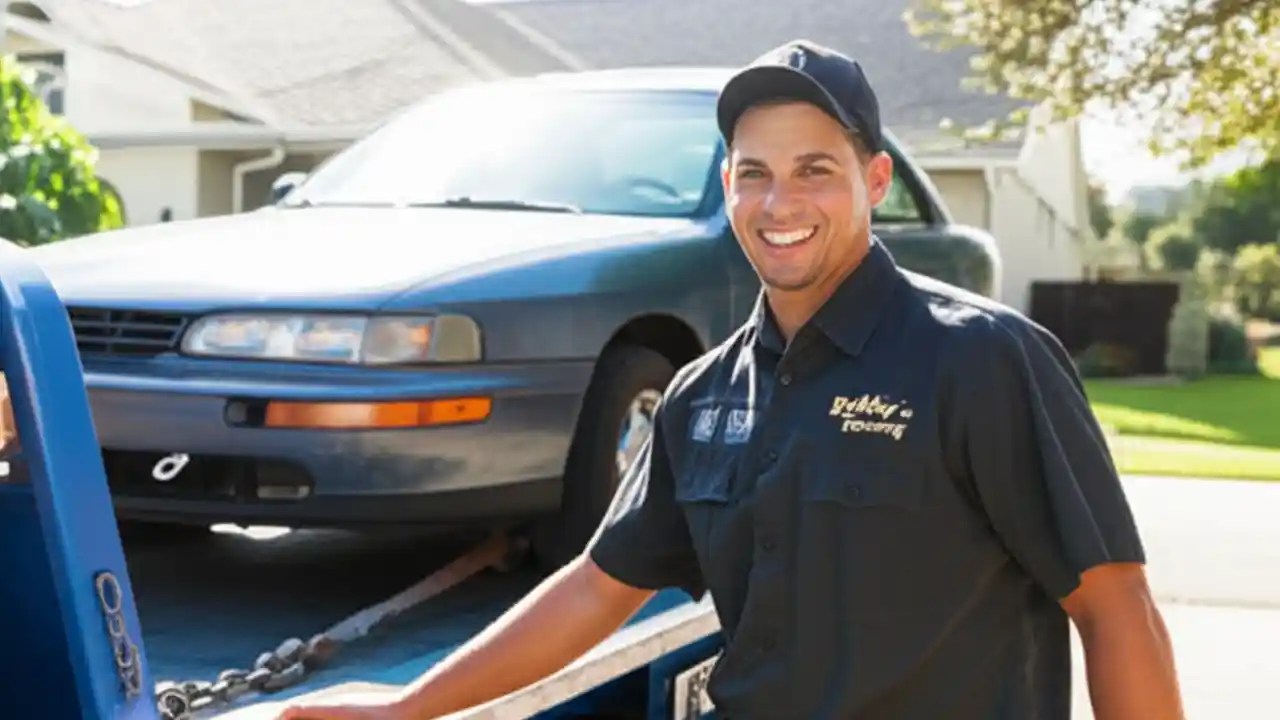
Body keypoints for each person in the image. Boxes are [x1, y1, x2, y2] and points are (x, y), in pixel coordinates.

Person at [276, 39, 1185, 720]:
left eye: (815, 171)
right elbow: (600, 586)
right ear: (728, 184)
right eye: (755, 174)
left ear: (874, 182)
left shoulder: (985, 359)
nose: (780, 204)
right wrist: (408, 710)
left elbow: (1114, 609)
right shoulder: (701, 396)